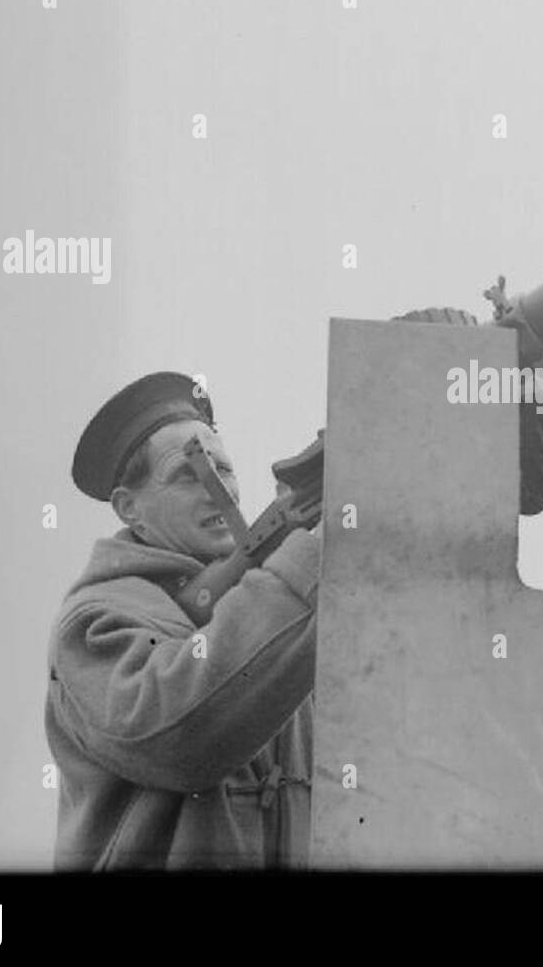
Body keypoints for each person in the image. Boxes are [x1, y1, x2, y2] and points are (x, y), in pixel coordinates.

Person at [45, 372, 319, 869]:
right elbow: (183, 738)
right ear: (132, 509)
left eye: (223, 470)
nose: (221, 493)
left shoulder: (276, 608)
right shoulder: (94, 623)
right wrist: (308, 561)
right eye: (188, 474)